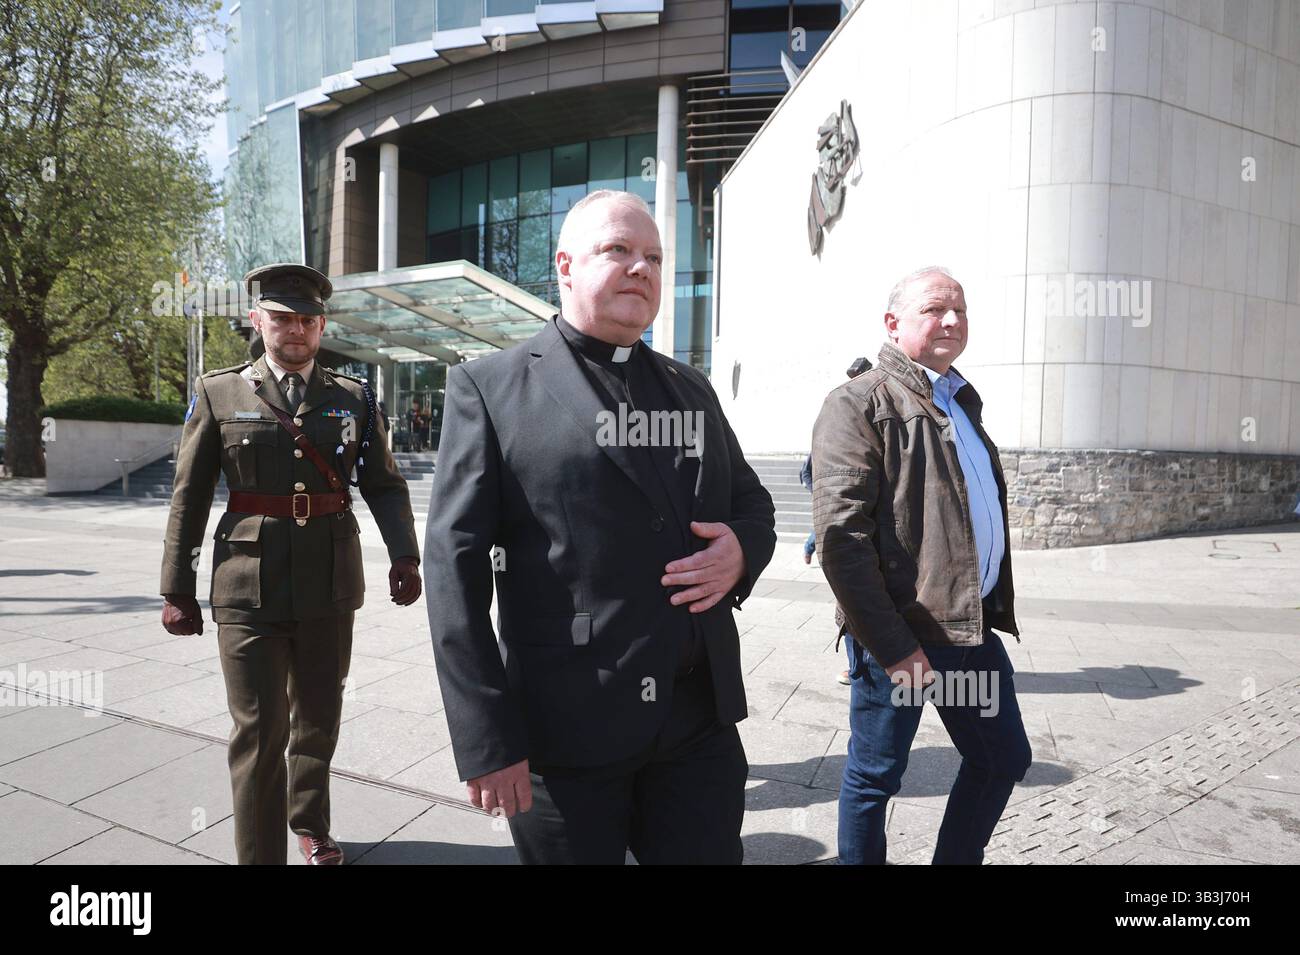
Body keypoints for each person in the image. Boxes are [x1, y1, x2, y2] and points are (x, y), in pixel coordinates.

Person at [425, 189, 776, 864]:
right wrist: (487, 739)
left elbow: (752, 505)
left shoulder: (690, 387)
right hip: (566, 738)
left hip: (696, 727)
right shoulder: (489, 388)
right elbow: (453, 573)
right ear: (564, 265)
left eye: (653, 257)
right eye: (618, 250)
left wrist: (741, 552)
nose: (641, 268)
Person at [159, 263, 423, 865]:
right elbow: (189, 496)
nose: (296, 329)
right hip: (247, 586)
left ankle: (310, 824)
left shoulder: (353, 397)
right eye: (282, 318)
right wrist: (176, 587)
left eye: (307, 319)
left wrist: (404, 553)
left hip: (330, 583)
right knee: (259, 731)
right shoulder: (220, 391)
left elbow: (383, 484)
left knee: (319, 717)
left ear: (322, 324)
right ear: (259, 320)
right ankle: (259, 857)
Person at [812, 266, 1031, 865]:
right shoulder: (858, 403)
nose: (953, 321)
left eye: (960, 310)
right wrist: (892, 646)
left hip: (969, 630)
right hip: (902, 638)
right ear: (893, 323)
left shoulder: (958, 399)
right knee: (876, 778)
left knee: (1003, 757)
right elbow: (840, 539)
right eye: (936, 309)